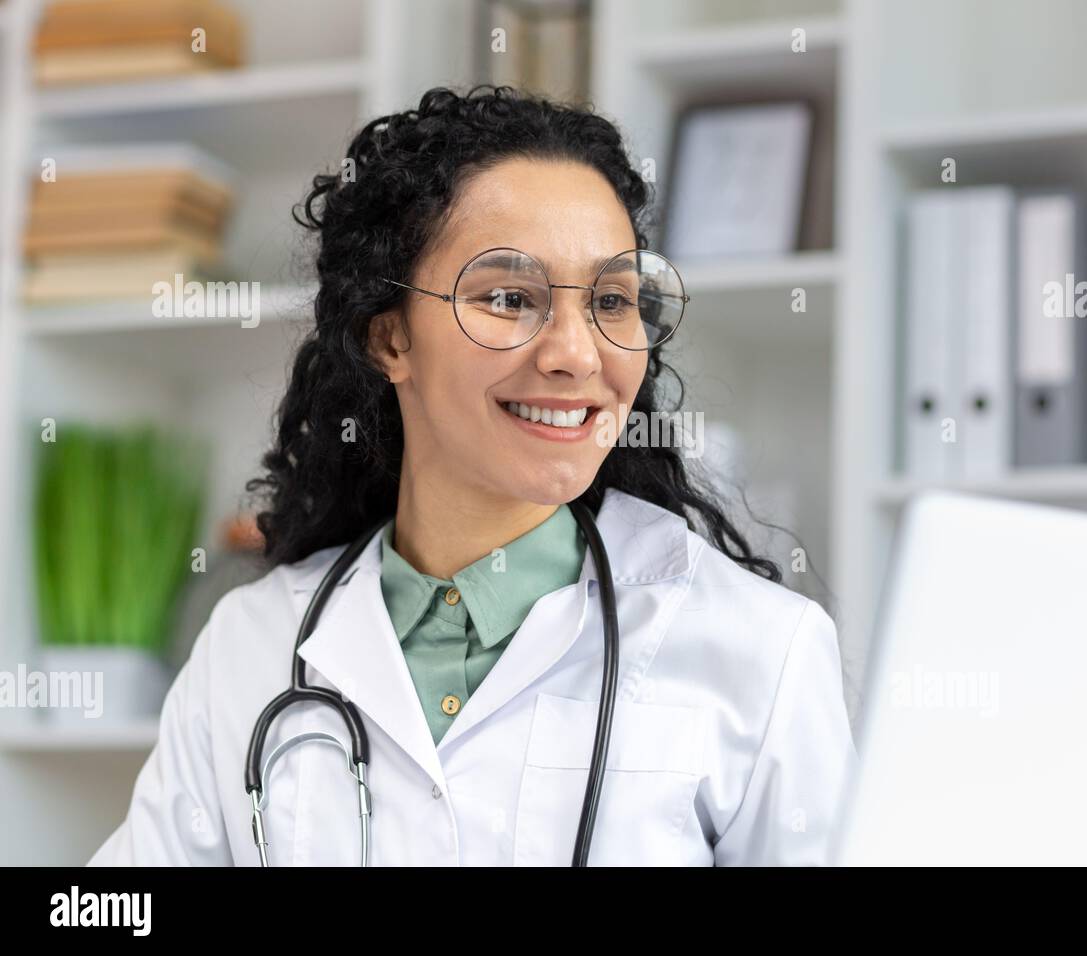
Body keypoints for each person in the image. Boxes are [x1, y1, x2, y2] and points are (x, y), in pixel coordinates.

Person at [89, 85, 856, 866]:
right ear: (389, 338)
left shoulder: (762, 650)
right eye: (508, 297)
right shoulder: (250, 646)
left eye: (613, 300)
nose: (576, 353)